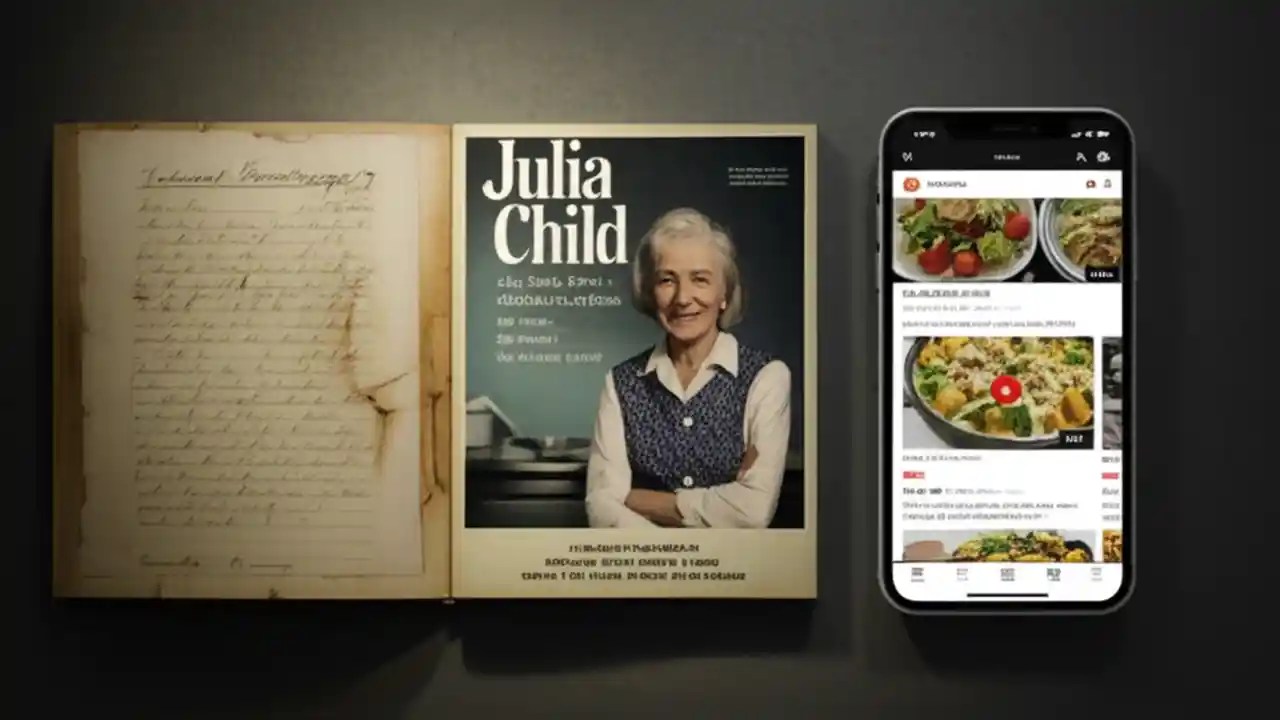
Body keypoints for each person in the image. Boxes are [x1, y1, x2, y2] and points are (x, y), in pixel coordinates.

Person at [584, 208, 792, 529]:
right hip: (644, 561)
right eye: (667, 280)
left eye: (700, 279)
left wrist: (640, 500)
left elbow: (752, 512)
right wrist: (673, 549)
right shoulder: (620, 383)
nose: (683, 298)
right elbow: (602, 507)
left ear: (724, 294)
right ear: (650, 292)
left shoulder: (766, 377)